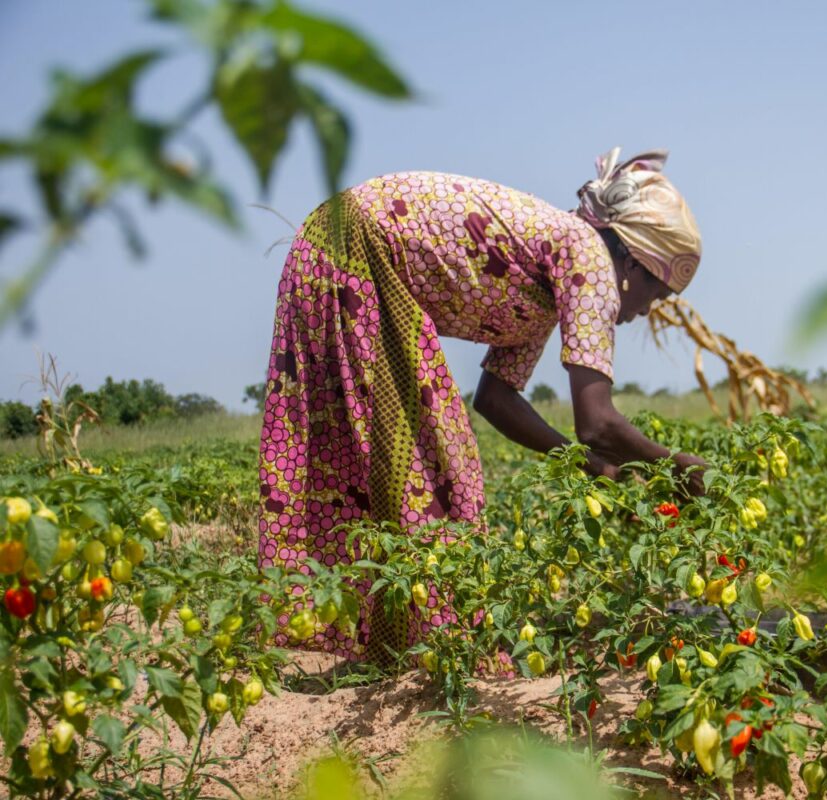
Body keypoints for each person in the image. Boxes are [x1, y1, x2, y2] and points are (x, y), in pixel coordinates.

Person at [257, 147, 707, 660]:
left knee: (369, 460)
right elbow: (597, 422)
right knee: (436, 466)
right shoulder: (589, 259)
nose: (647, 310)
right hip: (356, 252)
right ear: (632, 261)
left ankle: (376, 639)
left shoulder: (550, 276)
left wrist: (595, 469)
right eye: (656, 293)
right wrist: (677, 467)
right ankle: (432, 646)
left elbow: (496, 399)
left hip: (329, 251)